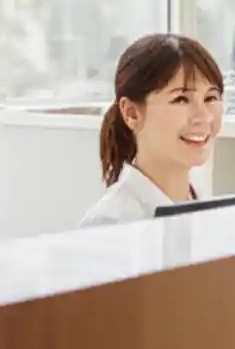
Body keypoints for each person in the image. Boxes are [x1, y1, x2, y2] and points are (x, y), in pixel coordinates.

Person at [80, 33, 224, 227]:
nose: (204, 117)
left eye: (211, 98)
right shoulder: (109, 224)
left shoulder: (208, 205)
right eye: (181, 99)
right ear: (131, 113)